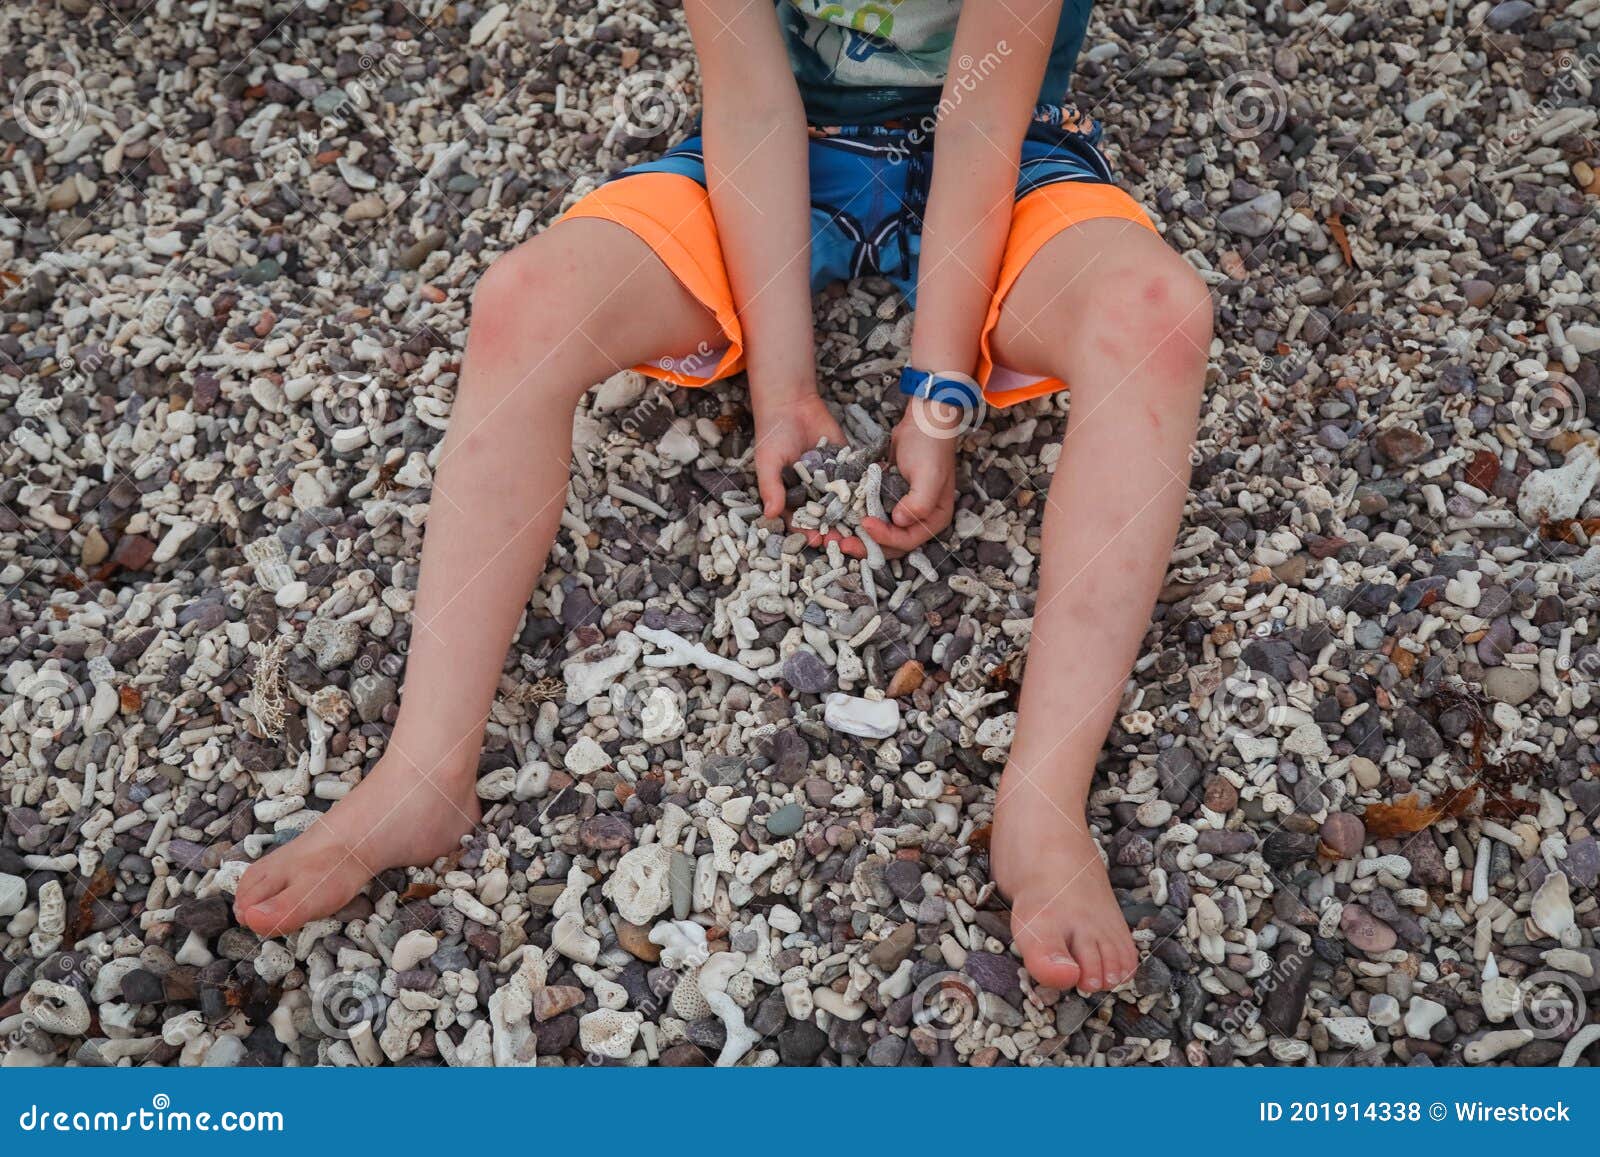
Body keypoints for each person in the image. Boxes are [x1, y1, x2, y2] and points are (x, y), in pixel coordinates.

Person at [235, 0, 1212, 995]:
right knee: (522, 306)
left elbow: (978, 124)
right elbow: (749, 106)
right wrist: (782, 390)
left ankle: (1043, 802)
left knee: (1157, 317)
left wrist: (938, 394)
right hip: (772, 151)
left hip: (1003, 161)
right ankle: (421, 772)